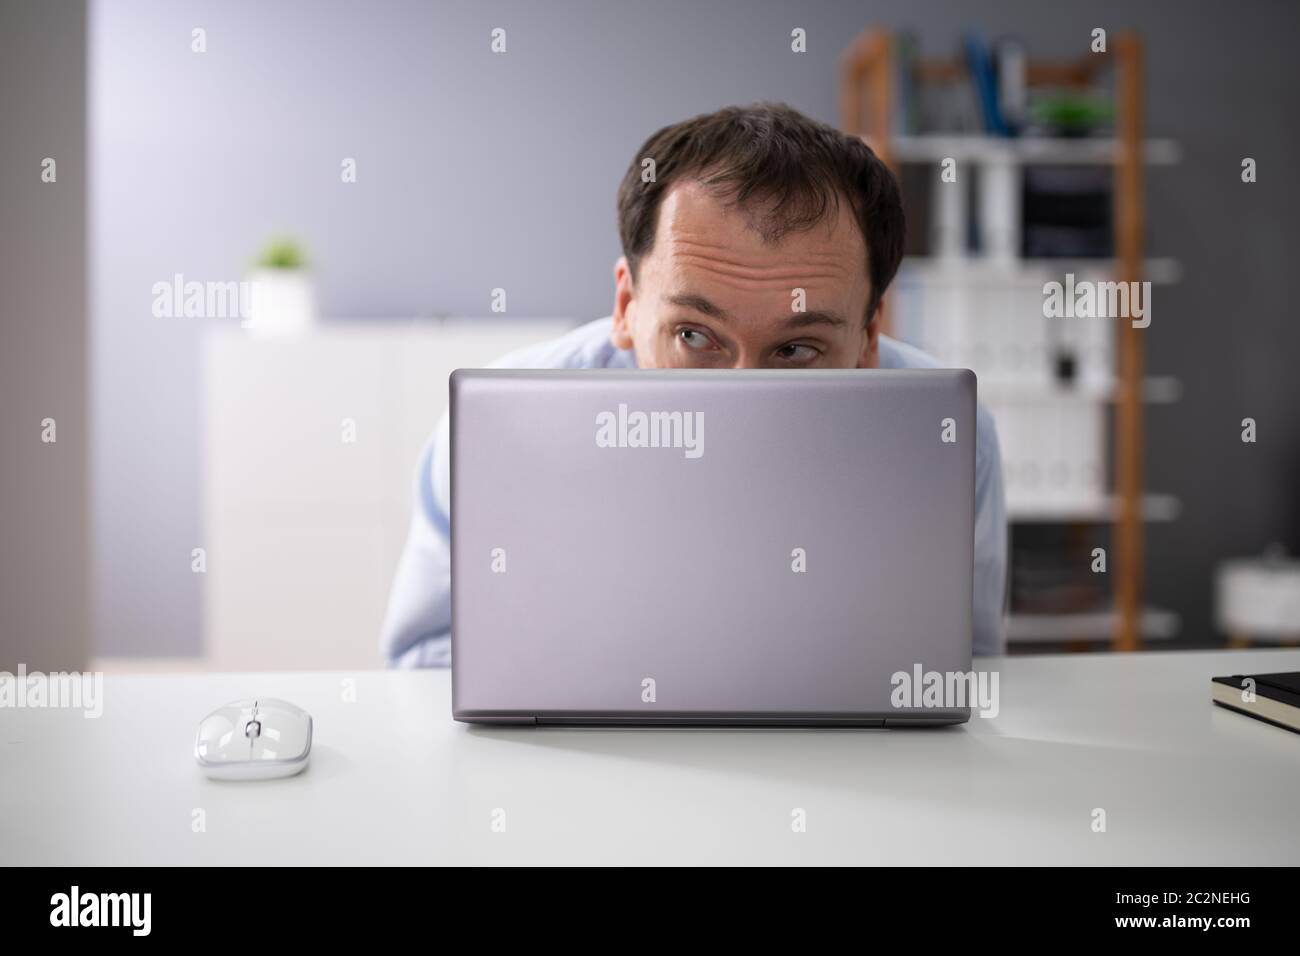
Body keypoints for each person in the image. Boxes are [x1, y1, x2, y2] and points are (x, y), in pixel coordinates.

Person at [381, 102, 1006, 667]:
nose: (741, 402)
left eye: (795, 349)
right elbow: (423, 658)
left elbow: (963, 665)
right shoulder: (494, 430)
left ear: (868, 337)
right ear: (627, 305)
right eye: (695, 336)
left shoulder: (950, 437)